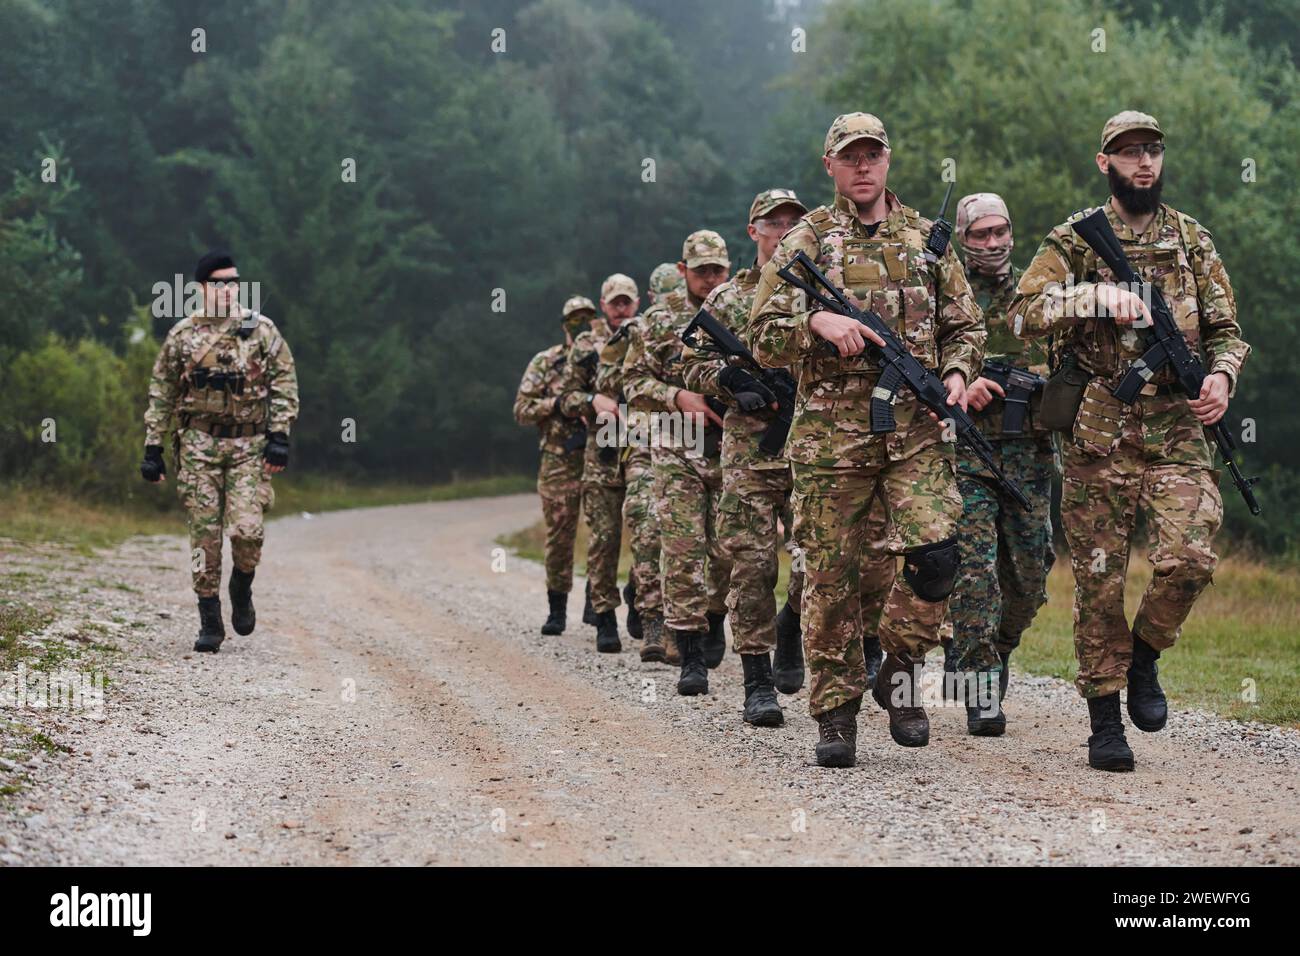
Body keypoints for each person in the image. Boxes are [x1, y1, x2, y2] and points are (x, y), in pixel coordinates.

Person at [1007, 111, 1249, 771]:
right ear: (1104, 162)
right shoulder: (1076, 239)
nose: (1142, 162)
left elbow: (1227, 329)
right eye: (1128, 152)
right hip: (1100, 427)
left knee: (1190, 559)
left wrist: (1223, 378)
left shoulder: (1192, 240)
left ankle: (1144, 656)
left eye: (1151, 151)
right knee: (1098, 580)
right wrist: (1090, 297)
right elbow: (1023, 312)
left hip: (1176, 424)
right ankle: (1103, 722)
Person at [749, 113, 985, 765]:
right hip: (830, 440)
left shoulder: (927, 241)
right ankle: (835, 713)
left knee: (936, 557)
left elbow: (967, 327)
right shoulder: (807, 240)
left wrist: (960, 375)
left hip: (914, 432)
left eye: (872, 154)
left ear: (887, 161)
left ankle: (900, 671)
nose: (862, 165)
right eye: (849, 156)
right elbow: (760, 334)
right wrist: (816, 322)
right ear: (831, 165)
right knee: (829, 576)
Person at [141, 249, 299, 653]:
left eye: (234, 282)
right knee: (204, 537)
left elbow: (284, 382)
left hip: (249, 446)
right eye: (220, 283)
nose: (229, 290)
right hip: (198, 445)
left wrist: (279, 436)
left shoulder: (261, 331)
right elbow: (162, 393)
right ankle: (209, 617)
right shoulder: (183, 336)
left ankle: (241, 585)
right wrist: (153, 447)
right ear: (202, 289)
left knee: (248, 531)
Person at [945, 192, 1056, 736]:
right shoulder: (946, 290)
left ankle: (996, 647)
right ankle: (978, 684)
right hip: (964, 455)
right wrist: (967, 380)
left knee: (1031, 577)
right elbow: (916, 355)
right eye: (979, 235)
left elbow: (1074, 362)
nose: (992, 244)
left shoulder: (1035, 293)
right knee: (974, 575)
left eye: (999, 232)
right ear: (963, 238)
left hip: (1030, 458)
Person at [623, 231, 733, 696]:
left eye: (717, 269)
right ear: (683, 269)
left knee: (728, 547)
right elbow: (632, 381)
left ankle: (714, 614)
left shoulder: (742, 307)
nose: (709, 278)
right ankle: (686, 647)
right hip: (676, 446)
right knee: (682, 546)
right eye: (701, 269)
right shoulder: (658, 320)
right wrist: (675, 395)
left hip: (733, 448)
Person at [557, 275, 637, 652]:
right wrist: (593, 401)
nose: (621, 308)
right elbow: (566, 397)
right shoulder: (586, 344)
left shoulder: (648, 334)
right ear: (603, 305)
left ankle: (641, 598)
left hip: (642, 448)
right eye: (614, 302)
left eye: (627, 302)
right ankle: (605, 616)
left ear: (636, 303)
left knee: (650, 533)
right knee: (604, 538)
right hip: (603, 451)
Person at [513, 296, 594, 635]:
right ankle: (557, 608)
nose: (581, 326)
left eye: (587, 319)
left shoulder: (606, 357)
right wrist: (556, 405)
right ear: (564, 326)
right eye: (574, 321)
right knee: (560, 535)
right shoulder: (546, 362)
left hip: (599, 457)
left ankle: (598, 602)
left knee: (604, 534)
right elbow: (522, 409)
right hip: (559, 460)